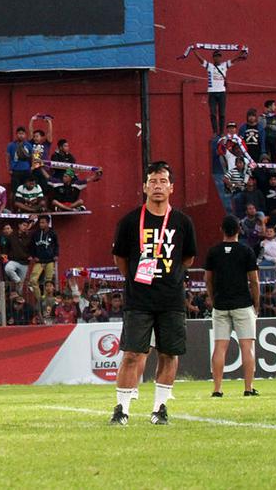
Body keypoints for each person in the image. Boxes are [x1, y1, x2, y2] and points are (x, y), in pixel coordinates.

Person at [109, 161, 198, 426]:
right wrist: (136, 279)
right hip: (139, 299)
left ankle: (160, 408)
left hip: (171, 298)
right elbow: (120, 258)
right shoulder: (129, 221)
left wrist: (170, 277)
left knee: (169, 354)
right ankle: (121, 409)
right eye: (153, 181)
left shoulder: (182, 222)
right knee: (131, 354)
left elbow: (188, 258)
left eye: (163, 181)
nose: (158, 186)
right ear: (145, 187)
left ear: (171, 188)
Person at [205, 215, 260, 397]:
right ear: (239, 230)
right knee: (247, 347)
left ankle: (217, 389)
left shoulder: (213, 252)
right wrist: (256, 304)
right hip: (242, 304)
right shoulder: (246, 251)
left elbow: (208, 279)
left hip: (221, 305)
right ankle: (248, 388)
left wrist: (213, 298)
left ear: (221, 229)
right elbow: (254, 281)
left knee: (219, 347)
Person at [194, 48, 247, 136]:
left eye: (219, 56)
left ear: (221, 58)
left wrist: (241, 52)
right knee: (213, 113)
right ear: (213, 58)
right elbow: (201, 60)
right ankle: (215, 131)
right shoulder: (209, 66)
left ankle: (222, 132)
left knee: (222, 113)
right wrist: (194, 51)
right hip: (212, 92)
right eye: (216, 56)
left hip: (222, 92)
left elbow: (234, 59)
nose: (218, 58)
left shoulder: (224, 65)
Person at [27, 216, 59, 301]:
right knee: (33, 280)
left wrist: (56, 255)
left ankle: (46, 299)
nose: (41, 224)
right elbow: (32, 246)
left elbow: (56, 245)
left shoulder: (53, 233)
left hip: (50, 260)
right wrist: (34, 256)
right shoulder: (36, 234)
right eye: (40, 222)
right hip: (39, 261)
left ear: (48, 223)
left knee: (48, 281)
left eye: (43, 222)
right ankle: (40, 299)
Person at [7, 127, 33, 192]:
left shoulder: (28, 145)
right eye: (19, 133)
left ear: (25, 135)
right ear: (16, 134)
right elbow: (8, 158)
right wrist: (9, 169)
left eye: (22, 134)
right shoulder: (11, 145)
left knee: (26, 189)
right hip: (15, 170)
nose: (21, 135)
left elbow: (32, 157)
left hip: (26, 170)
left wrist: (32, 167)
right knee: (15, 190)